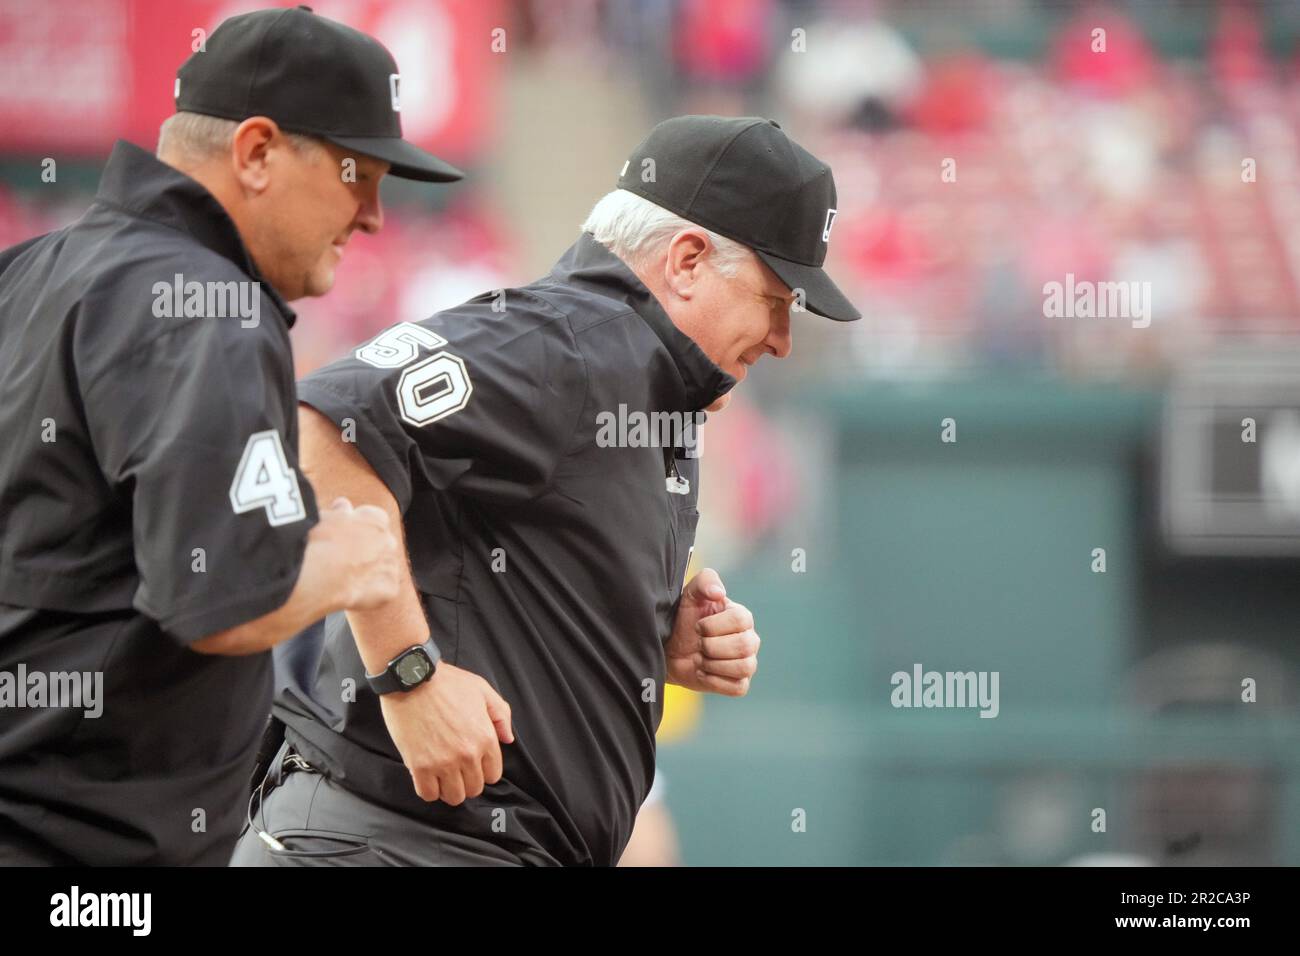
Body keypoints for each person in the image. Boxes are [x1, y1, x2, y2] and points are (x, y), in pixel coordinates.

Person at [231, 115, 859, 866]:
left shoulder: (643, 383)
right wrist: (408, 673)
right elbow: (321, 431)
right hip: (393, 842)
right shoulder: (568, 339)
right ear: (687, 261)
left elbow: (490, 581)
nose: (784, 338)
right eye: (777, 298)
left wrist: (648, 638)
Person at [0, 6, 463, 865]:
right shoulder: (206, 305)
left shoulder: (32, 271)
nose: (371, 216)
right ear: (256, 152)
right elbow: (224, 598)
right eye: (357, 173)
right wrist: (356, 562)